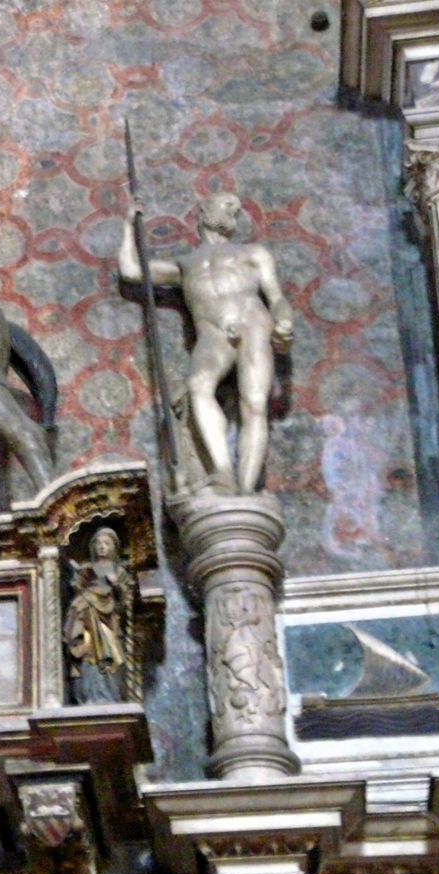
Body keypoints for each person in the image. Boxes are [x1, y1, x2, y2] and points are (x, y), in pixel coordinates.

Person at [118, 193, 294, 494]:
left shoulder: (253, 253)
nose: (234, 209)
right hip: (213, 332)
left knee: (253, 404)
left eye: (236, 208)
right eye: (226, 203)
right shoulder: (184, 264)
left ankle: (247, 488)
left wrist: (284, 321)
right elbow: (132, 270)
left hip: (253, 323)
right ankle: (223, 471)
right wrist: (128, 225)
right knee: (199, 386)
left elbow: (276, 297)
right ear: (204, 211)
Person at [64, 528, 133, 704]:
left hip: (108, 620)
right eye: (98, 543)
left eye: (106, 543)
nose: (102, 547)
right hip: (85, 614)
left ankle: (108, 695)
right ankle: (88, 695)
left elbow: (125, 600)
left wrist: (114, 583)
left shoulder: (119, 572)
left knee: (108, 652)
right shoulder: (86, 569)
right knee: (86, 652)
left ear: (114, 548)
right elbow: (76, 588)